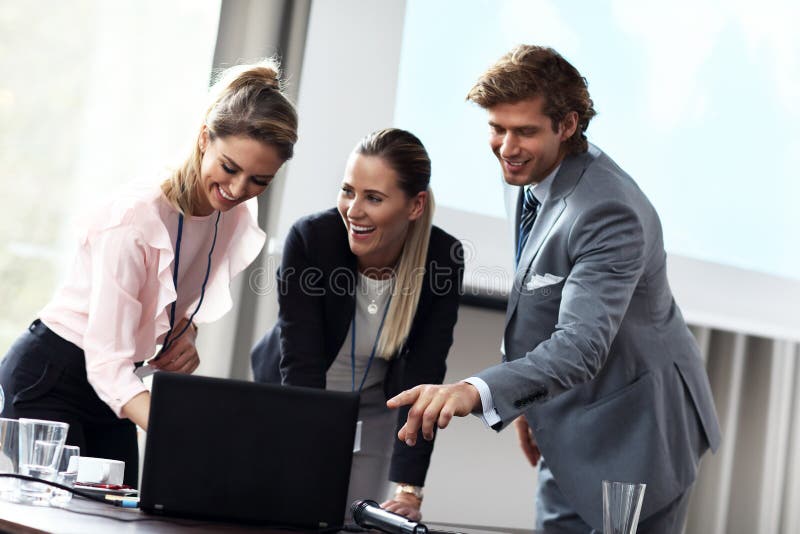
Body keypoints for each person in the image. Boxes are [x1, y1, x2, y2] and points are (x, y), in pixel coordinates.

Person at [387, 45, 721, 533]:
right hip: (567, 418)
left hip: (637, 432)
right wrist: (527, 401)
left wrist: (475, 390)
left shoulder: (608, 212)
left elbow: (581, 347)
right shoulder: (527, 171)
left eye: (524, 131)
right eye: (497, 128)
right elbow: (543, 296)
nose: (506, 147)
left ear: (567, 125)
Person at [0, 59, 298, 487]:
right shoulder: (135, 221)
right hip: (52, 377)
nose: (238, 190)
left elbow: (170, 296)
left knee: (122, 515)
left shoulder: (232, 215)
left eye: (259, 181)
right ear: (204, 139)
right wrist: (185, 434)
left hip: (117, 385)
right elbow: (105, 362)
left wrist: (186, 333)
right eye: (229, 168)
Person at [251, 128, 463, 520]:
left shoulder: (442, 257)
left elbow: (425, 374)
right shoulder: (311, 239)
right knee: (286, 509)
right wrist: (304, 461)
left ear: (415, 205)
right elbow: (301, 363)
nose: (353, 210)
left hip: (375, 403)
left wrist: (409, 490)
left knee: (357, 519)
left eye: (374, 198)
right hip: (295, 391)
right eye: (348, 191)